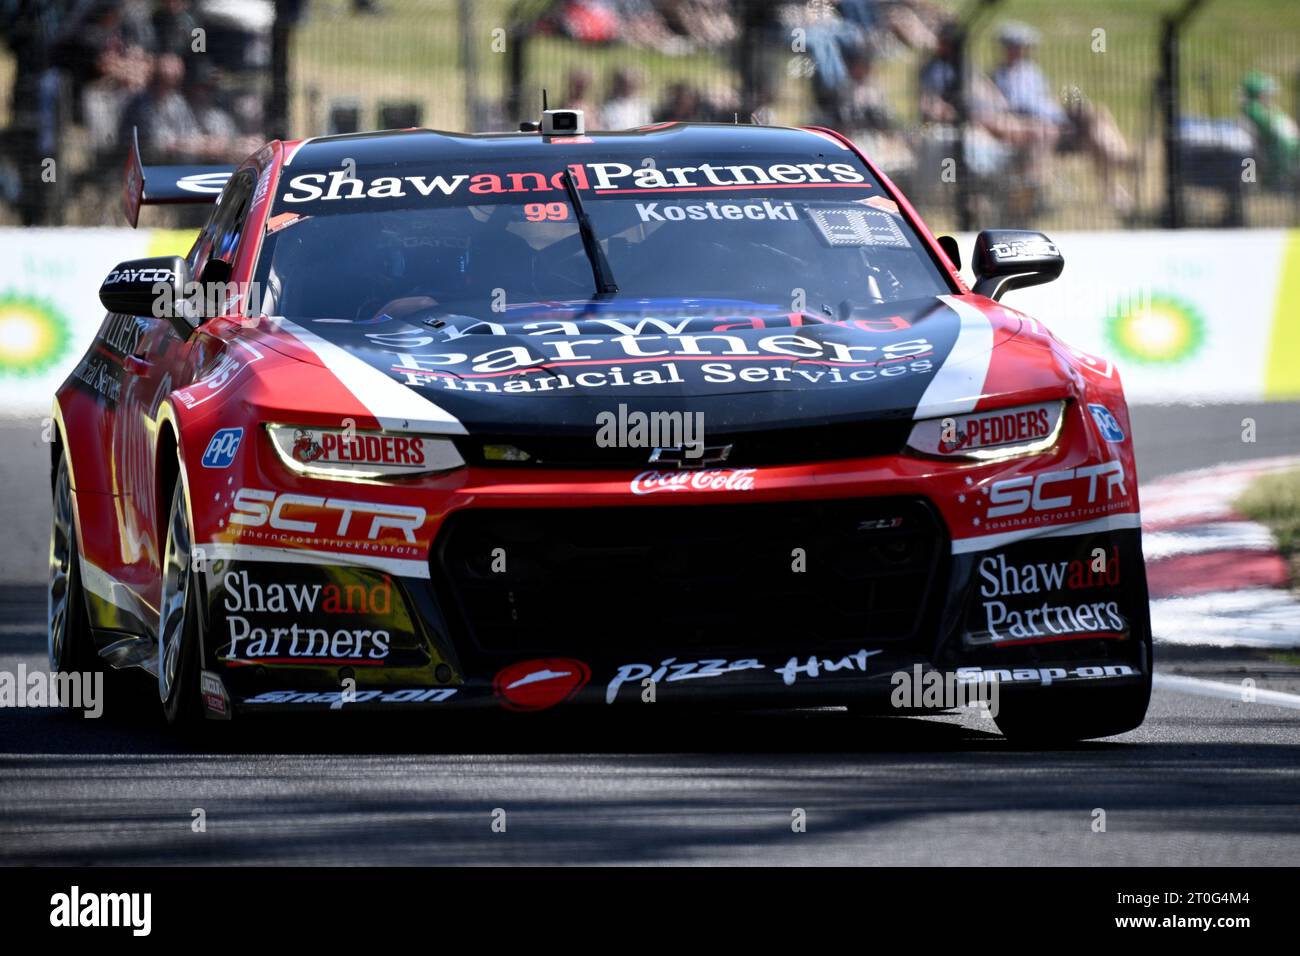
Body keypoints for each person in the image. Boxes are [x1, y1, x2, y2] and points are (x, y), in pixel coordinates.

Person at [1241, 70, 1300, 187]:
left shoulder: (1265, 109)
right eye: (1266, 94)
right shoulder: (1253, 108)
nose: (1269, 97)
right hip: (1273, 149)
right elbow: (1271, 128)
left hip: (1283, 146)